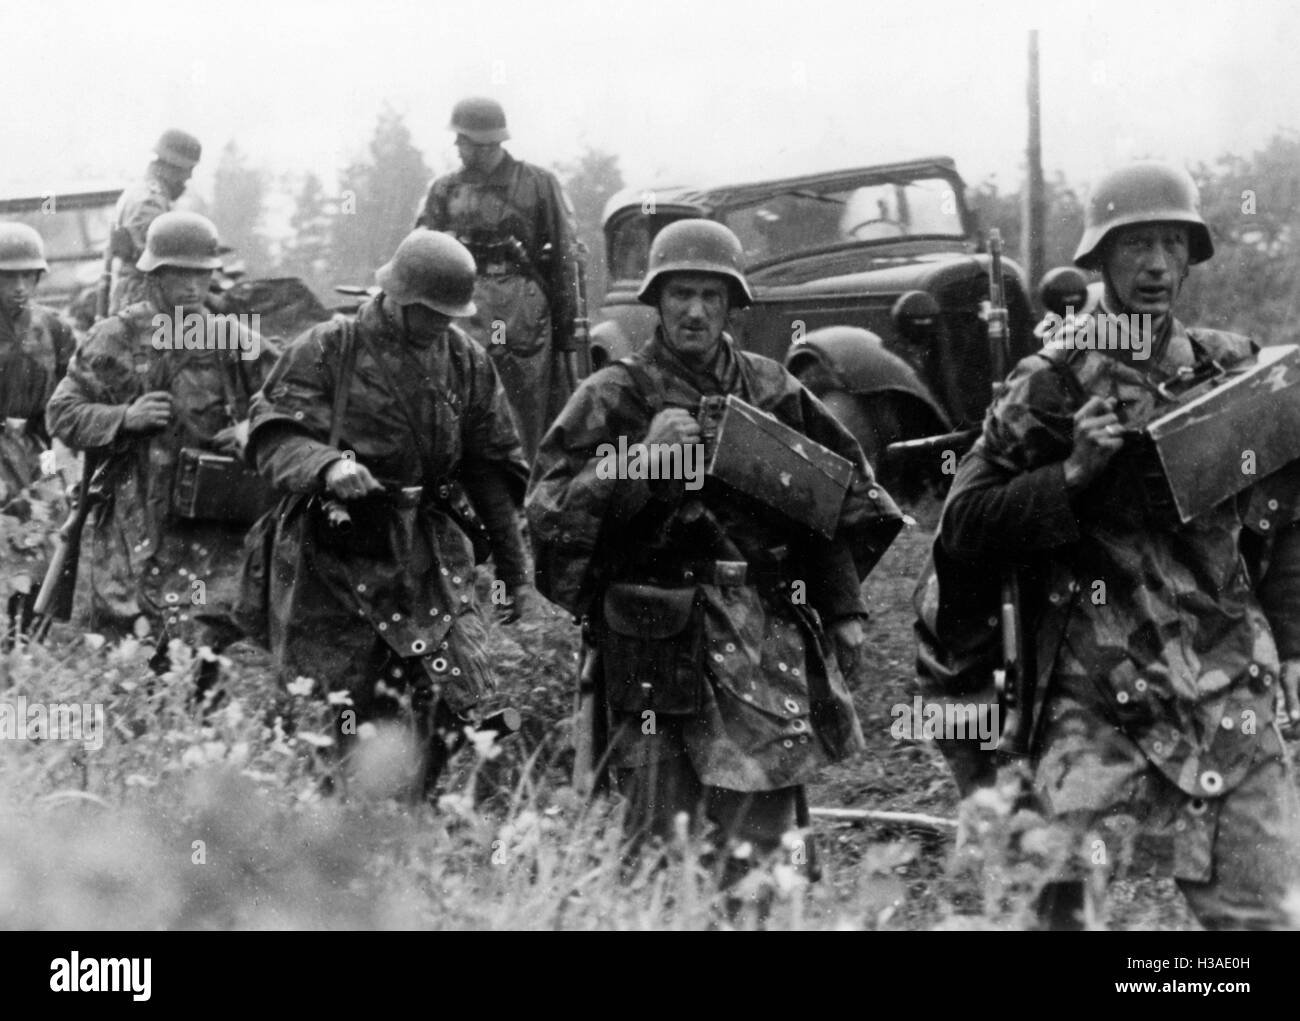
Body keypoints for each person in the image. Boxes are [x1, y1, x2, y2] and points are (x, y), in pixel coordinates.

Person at [932, 161, 1300, 929]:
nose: (1158, 265)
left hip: (1229, 685)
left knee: (1260, 916)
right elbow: (962, 529)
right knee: (1064, 910)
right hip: (1098, 701)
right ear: (1100, 257)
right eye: (1137, 246)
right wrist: (1070, 475)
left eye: (1173, 244)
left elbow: (1284, 516)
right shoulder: (1050, 385)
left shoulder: (1230, 369)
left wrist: (1291, 644)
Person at [526, 220, 903, 899]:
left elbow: (839, 499)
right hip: (653, 638)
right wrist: (637, 462)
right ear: (657, 302)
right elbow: (549, 512)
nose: (695, 310)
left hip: (760, 635)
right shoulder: (615, 395)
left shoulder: (772, 390)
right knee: (660, 840)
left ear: (732, 306)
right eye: (679, 294)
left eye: (710, 295)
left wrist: (843, 609)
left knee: (760, 849)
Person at [239, 229, 535, 795]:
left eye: (448, 315)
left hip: (426, 554)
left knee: (454, 697)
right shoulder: (331, 347)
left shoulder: (465, 360)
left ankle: (420, 811)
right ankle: (337, 833)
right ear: (397, 297)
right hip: (336, 553)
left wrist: (518, 579)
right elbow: (273, 436)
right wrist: (327, 465)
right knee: (338, 701)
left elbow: (491, 471)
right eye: (428, 313)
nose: (437, 325)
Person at [46, 211, 272, 688]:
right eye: (179, 273)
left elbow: (293, 394)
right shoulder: (116, 336)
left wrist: (256, 425)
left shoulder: (230, 337)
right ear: (155, 273)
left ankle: (196, 724)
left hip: (205, 521)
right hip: (133, 519)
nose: (192, 286)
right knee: (132, 642)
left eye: (201, 273)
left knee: (207, 630)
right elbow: (61, 413)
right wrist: (122, 418)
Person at [416, 97, 584, 460]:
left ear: (486, 142)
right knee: (460, 405)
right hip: (462, 310)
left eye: (462, 139)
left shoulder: (538, 183)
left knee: (525, 415)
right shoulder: (443, 190)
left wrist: (566, 334)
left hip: (522, 314)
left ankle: (527, 501)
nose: (457, 147)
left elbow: (566, 259)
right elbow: (420, 254)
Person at [0, 223, 76, 639]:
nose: (18, 286)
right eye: (8, 276)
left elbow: (75, 388)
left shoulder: (54, 328)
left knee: (49, 533)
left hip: (37, 447)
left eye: (26, 276)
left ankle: (28, 634)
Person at [109, 129, 202, 315]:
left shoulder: (143, 192)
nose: (189, 178)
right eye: (187, 170)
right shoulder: (149, 202)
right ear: (170, 166)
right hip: (143, 304)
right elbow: (159, 260)